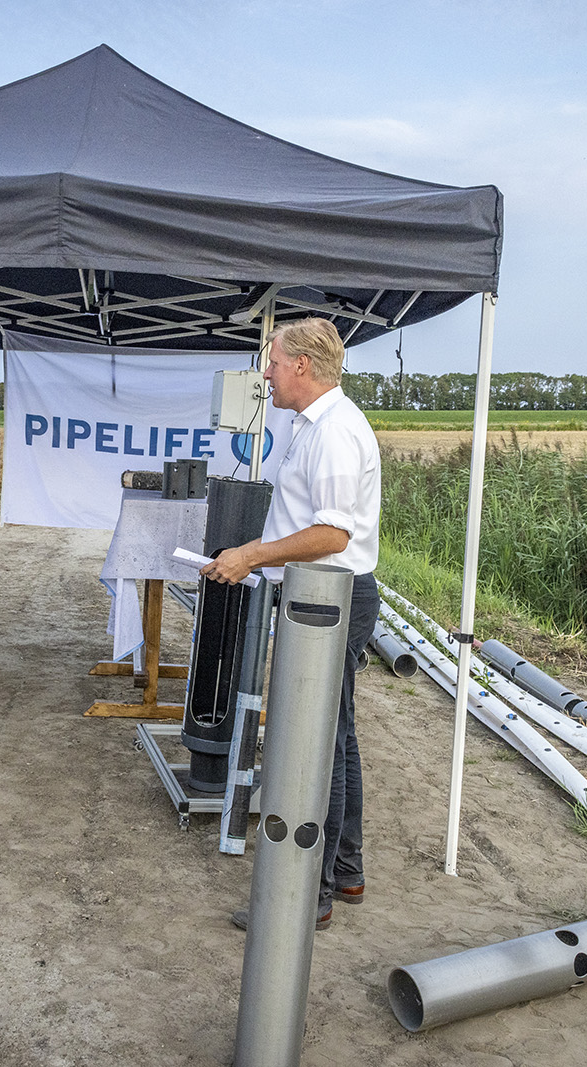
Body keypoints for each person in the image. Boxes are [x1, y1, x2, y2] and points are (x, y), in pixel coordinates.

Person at [201, 317, 380, 931]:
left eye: (273, 362)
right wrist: (259, 548)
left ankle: (312, 893)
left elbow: (332, 534)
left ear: (302, 365)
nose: (267, 374)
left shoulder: (333, 431)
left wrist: (251, 555)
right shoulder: (315, 425)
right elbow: (305, 523)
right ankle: (346, 870)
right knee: (336, 734)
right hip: (325, 595)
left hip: (331, 599)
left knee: (315, 743)